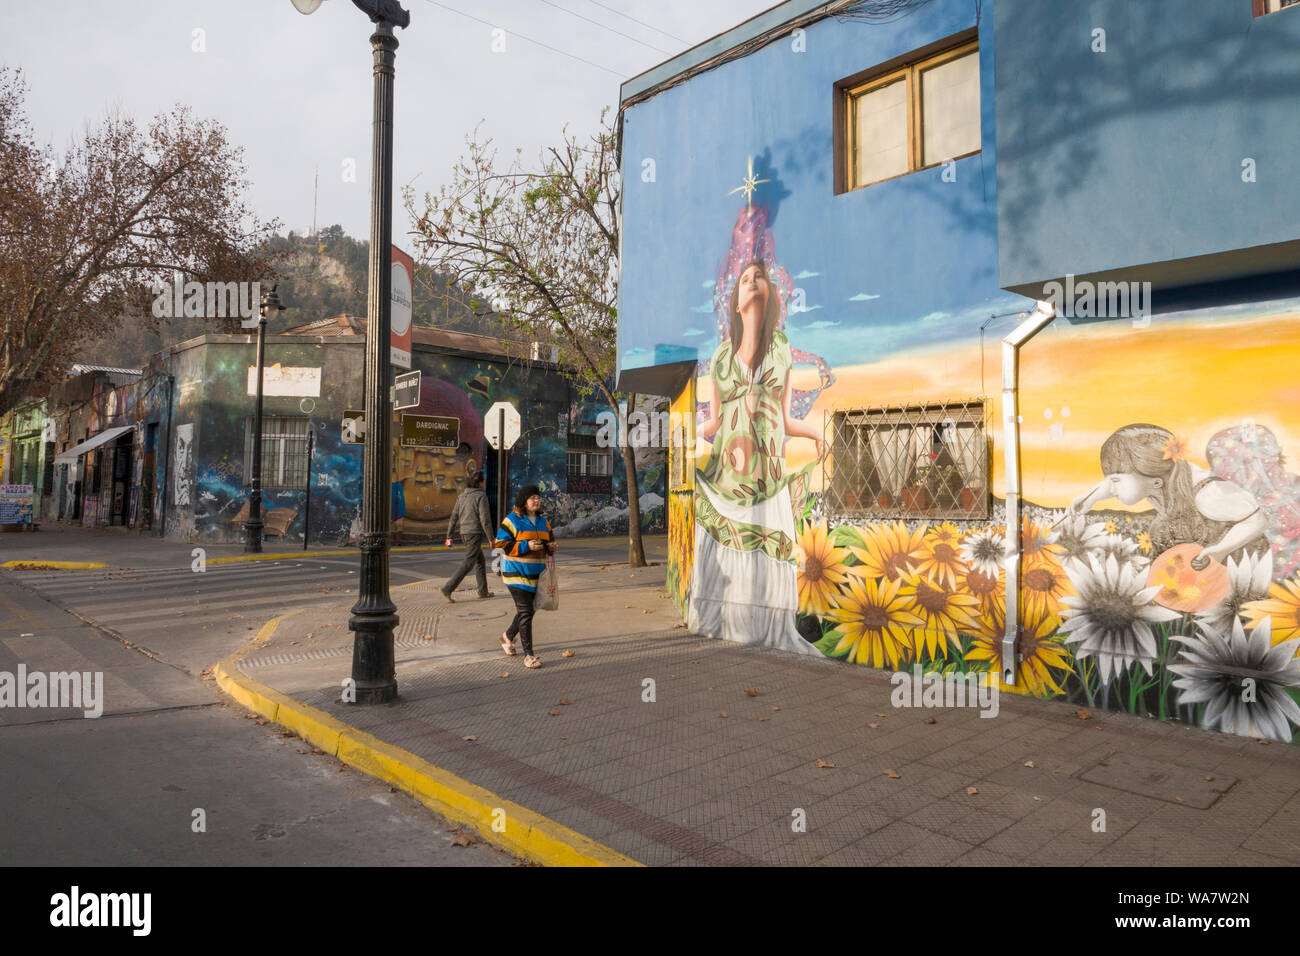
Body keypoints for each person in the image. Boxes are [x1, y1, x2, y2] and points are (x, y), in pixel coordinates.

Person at [689, 260, 824, 657]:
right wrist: (687, 435)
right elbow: (713, 420)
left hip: (768, 472)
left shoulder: (782, 351)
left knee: (769, 549)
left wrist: (816, 432)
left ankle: (767, 624)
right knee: (728, 550)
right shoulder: (720, 358)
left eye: (758, 277)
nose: (752, 282)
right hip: (726, 474)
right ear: (736, 302)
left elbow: (783, 419)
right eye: (745, 279)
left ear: (770, 292)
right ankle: (726, 621)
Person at [1070, 423, 1270, 566]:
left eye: (1115, 480)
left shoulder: (1207, 495)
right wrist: (1090, 497)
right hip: (1203, 562)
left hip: (1242, 561)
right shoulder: (1155, 480)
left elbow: (1257, 520)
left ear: (1155, 481)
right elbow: (1111, 485)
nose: (1110, 487)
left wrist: (1222, 549)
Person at [496, 484, 556, 669]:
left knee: (529, 610)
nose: (536, 501)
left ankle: (507, 636)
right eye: (533, 498)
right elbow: (500, 543)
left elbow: (550, 541)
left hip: (535, 574)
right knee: (525, 612)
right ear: (524, 501)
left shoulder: (543, 522)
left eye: (538, 498)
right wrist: (525, 546)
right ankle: (529, 655)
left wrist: (551, 547)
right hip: (515, 573)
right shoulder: (512, 520)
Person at [440, 471, 495, 602]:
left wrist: (449, 536)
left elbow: (453, 517)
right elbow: (485, 519)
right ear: (480, 483)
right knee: (469, 563)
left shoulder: (462, 496)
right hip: (474, 533)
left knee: (479, 561)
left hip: (464, 533)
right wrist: (491, 538)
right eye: (483, 481)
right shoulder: (481, 496)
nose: (484, 484)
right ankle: (448, 588)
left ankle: (483, 591)